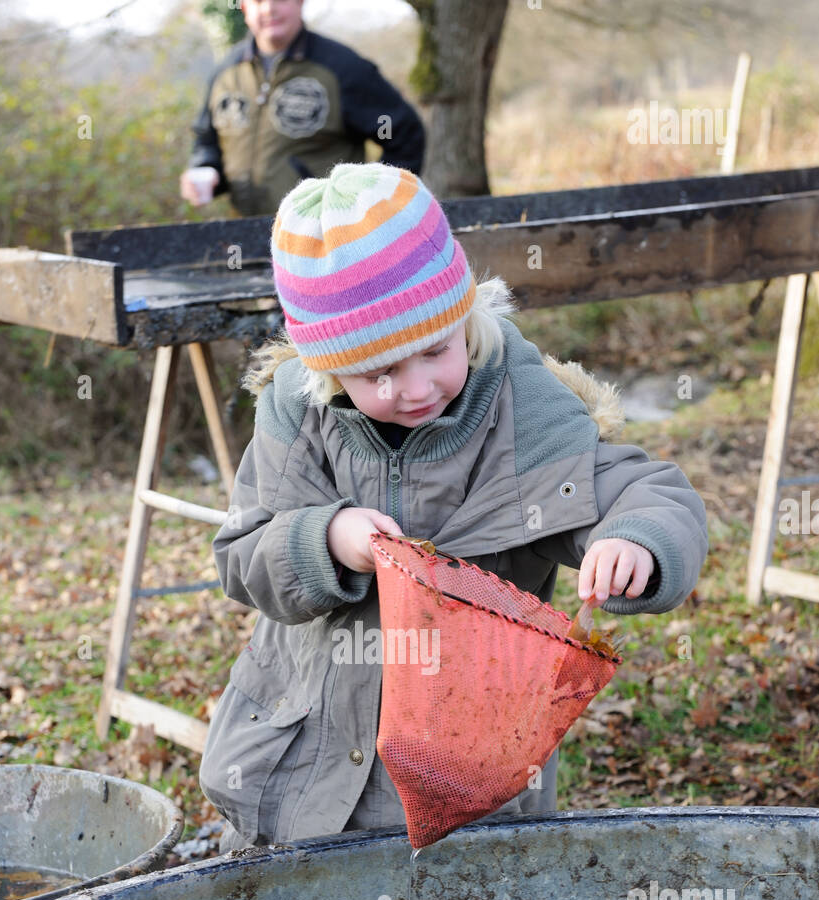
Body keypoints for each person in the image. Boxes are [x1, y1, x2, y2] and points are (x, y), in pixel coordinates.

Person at [199, 163, 708, 852]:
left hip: (470, 765)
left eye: (434, 351)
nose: (414, 388)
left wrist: (635, 541)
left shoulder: (524, 412)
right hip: (300, 756)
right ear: (328, 368)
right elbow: (242, 552)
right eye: (378, 371)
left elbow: (644, 490)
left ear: (463, 320)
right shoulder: (299, 414)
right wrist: (324, 540)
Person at [180, 0, 425, 216]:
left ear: (300, 2)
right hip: (248, 237)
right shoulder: (226, 72)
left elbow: (404, 133)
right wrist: (206, 169)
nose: (269, 8)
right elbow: (207, 140)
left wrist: (373, 203)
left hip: (323, 241)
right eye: (258, 0)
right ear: (244, 8)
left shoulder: (342, 68)